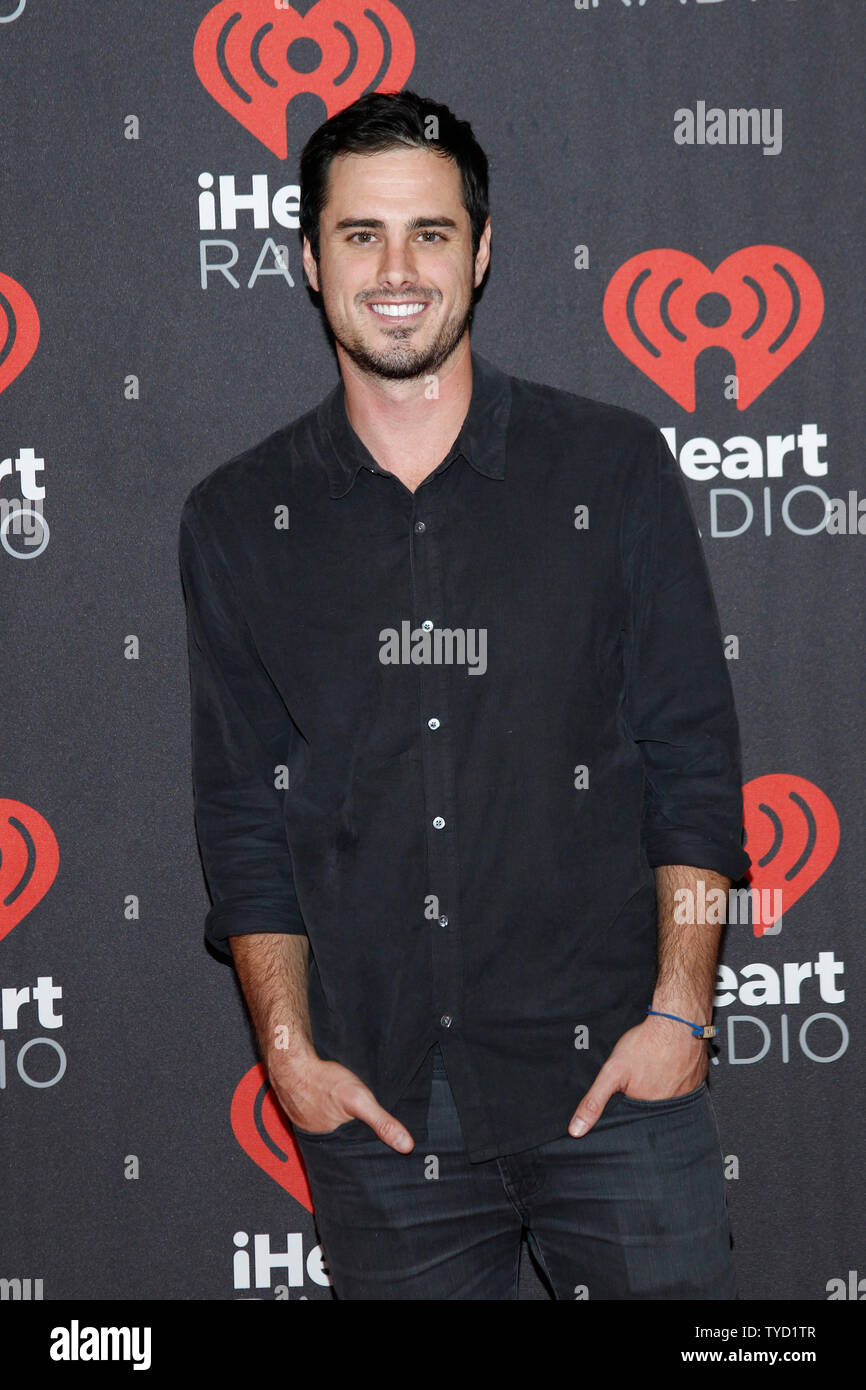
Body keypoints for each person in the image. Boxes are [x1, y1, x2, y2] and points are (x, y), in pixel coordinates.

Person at [178, 89, 750, 1301]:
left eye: (429, 233)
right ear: (306, 258)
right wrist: (287, 1055)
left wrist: (680, 1016)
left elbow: (690, 757)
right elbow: (243, 812)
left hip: (619, 1087)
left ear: (480, 253)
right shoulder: (237, 519)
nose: (396, 269)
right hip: (383, 1117)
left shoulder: (612, 469)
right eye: (360, 234)